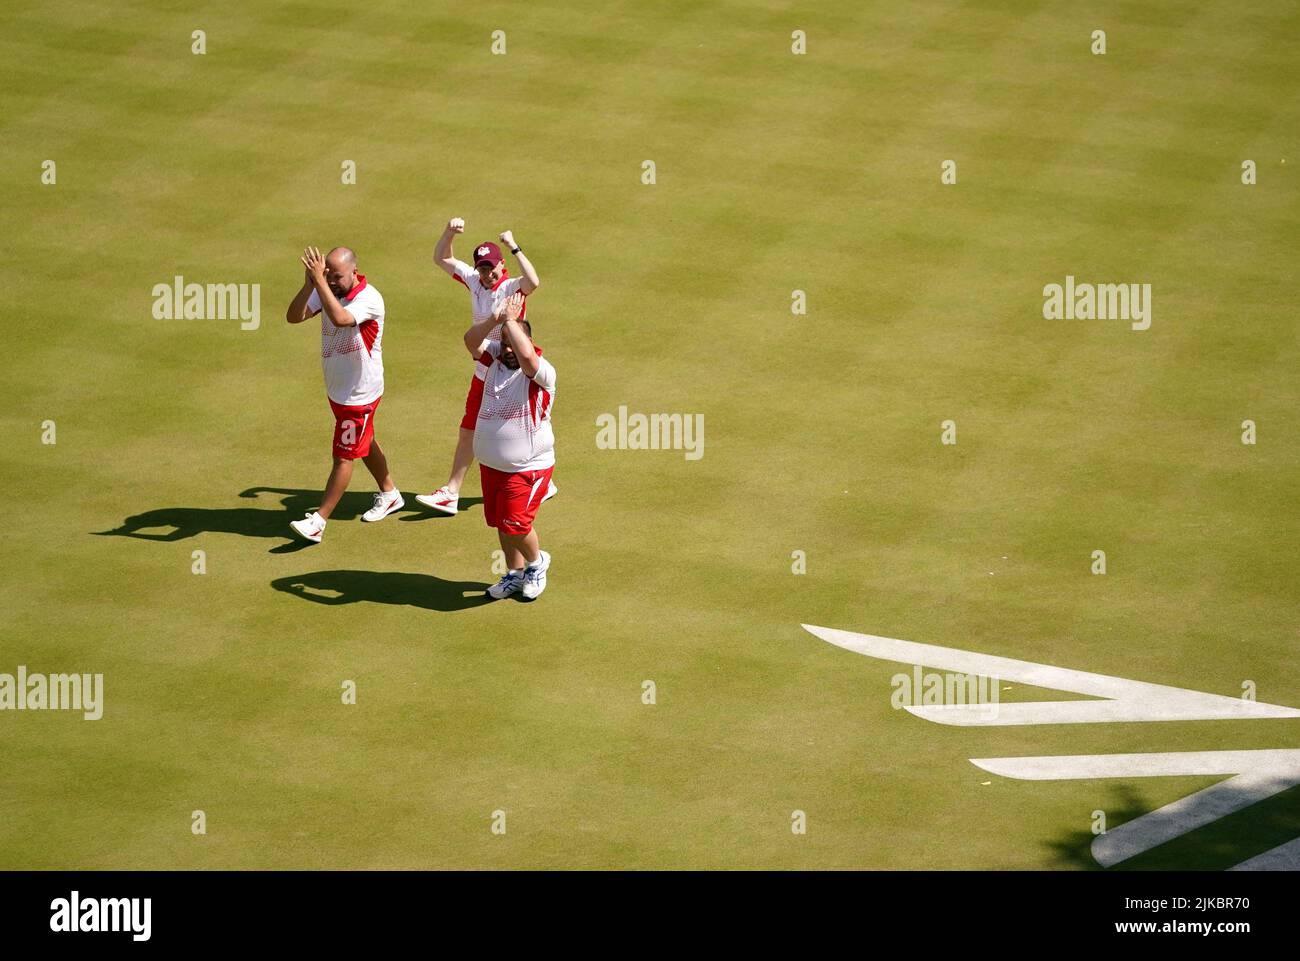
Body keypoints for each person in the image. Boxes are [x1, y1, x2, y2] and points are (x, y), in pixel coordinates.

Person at [416, 218, 556, 515]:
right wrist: (449, 233)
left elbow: (534, 281)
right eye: (482, 267)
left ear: (501, 265)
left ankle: (541, 478)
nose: (487, 273)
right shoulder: (472, 280)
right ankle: (451, 492)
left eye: (491, 267)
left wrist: (514, 246)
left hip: (514, 369)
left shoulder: (511, 286)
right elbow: (441, 257)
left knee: (523, 424)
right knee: (469, 428)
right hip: (486, 366)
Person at [284, 246, 403, 543]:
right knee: (365, 441)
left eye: (337, 276)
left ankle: (319, 520)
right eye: (329, 276)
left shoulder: (369, 299)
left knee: (343, 457)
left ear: (354, 271)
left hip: (359, 394)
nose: (333, 281)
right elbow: (294, 316)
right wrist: (310, 283)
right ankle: (390, 493)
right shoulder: (327, 289)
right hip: (339, 390)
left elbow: (339, 319)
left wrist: (321, 284)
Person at [470, 293, 556, 600]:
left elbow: (529, 359)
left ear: (528, 341)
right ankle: (515, 574)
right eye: (503, 343)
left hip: (527, 467)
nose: (508, 350)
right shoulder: (494, 358)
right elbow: (470, 340)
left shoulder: (541, 371)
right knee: (501, 524)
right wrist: (496, 320)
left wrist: (509, 320)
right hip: (492, 465)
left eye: (514, 343)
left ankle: (537, 563)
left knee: (516, 524)